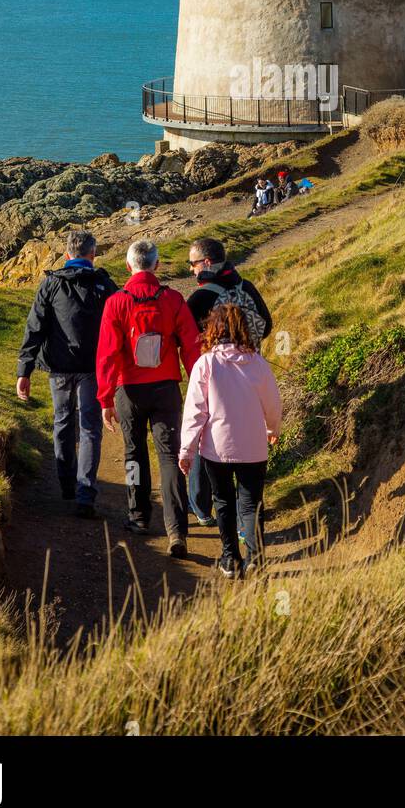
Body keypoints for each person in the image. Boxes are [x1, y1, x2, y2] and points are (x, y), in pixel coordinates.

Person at [96, 238, 201, 557]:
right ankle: (177, 531)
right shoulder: (172, 299)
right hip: (166, 387)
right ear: (156, 265)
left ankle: (139, 518)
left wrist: (105, 398)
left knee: (134, 453)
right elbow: (192, 347)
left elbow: (107, 354)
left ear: (128, 266)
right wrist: (200, 386)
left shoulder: (117, 301)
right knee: (170, 457)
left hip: (128, 390)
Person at [16, 229, 118, 518]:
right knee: (89, 428)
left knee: (62, 421)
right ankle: (85, 494)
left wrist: (25, 370)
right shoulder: (104, 283)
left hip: (59, 368)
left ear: (67, 255)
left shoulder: (50, 283)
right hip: (92, 368)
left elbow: (34, 328)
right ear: (92, 254)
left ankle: (66, 482)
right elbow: (120, 322)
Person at [179, 302, 282, 578]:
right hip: (253, 447)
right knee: (251, 503)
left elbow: (195, 412)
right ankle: (255, 557)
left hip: (217, 449)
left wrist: (186, 450)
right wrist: (273, 428)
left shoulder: (206, 364)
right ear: (243, 330)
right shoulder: (258, 362)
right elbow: (272, 402)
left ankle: (230, 559)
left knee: (223, 501)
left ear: (213, 329)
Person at [185, 236, 273, 527]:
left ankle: (201, 505)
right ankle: (246, 511)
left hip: (214, 375)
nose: (192, 270)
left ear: (206, 263)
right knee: (247, 440)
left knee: (205, 435)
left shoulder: (202, 297)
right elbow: (268, 325)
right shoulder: (246, 286)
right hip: (251, 372)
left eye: (193, 264)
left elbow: (182, 334)